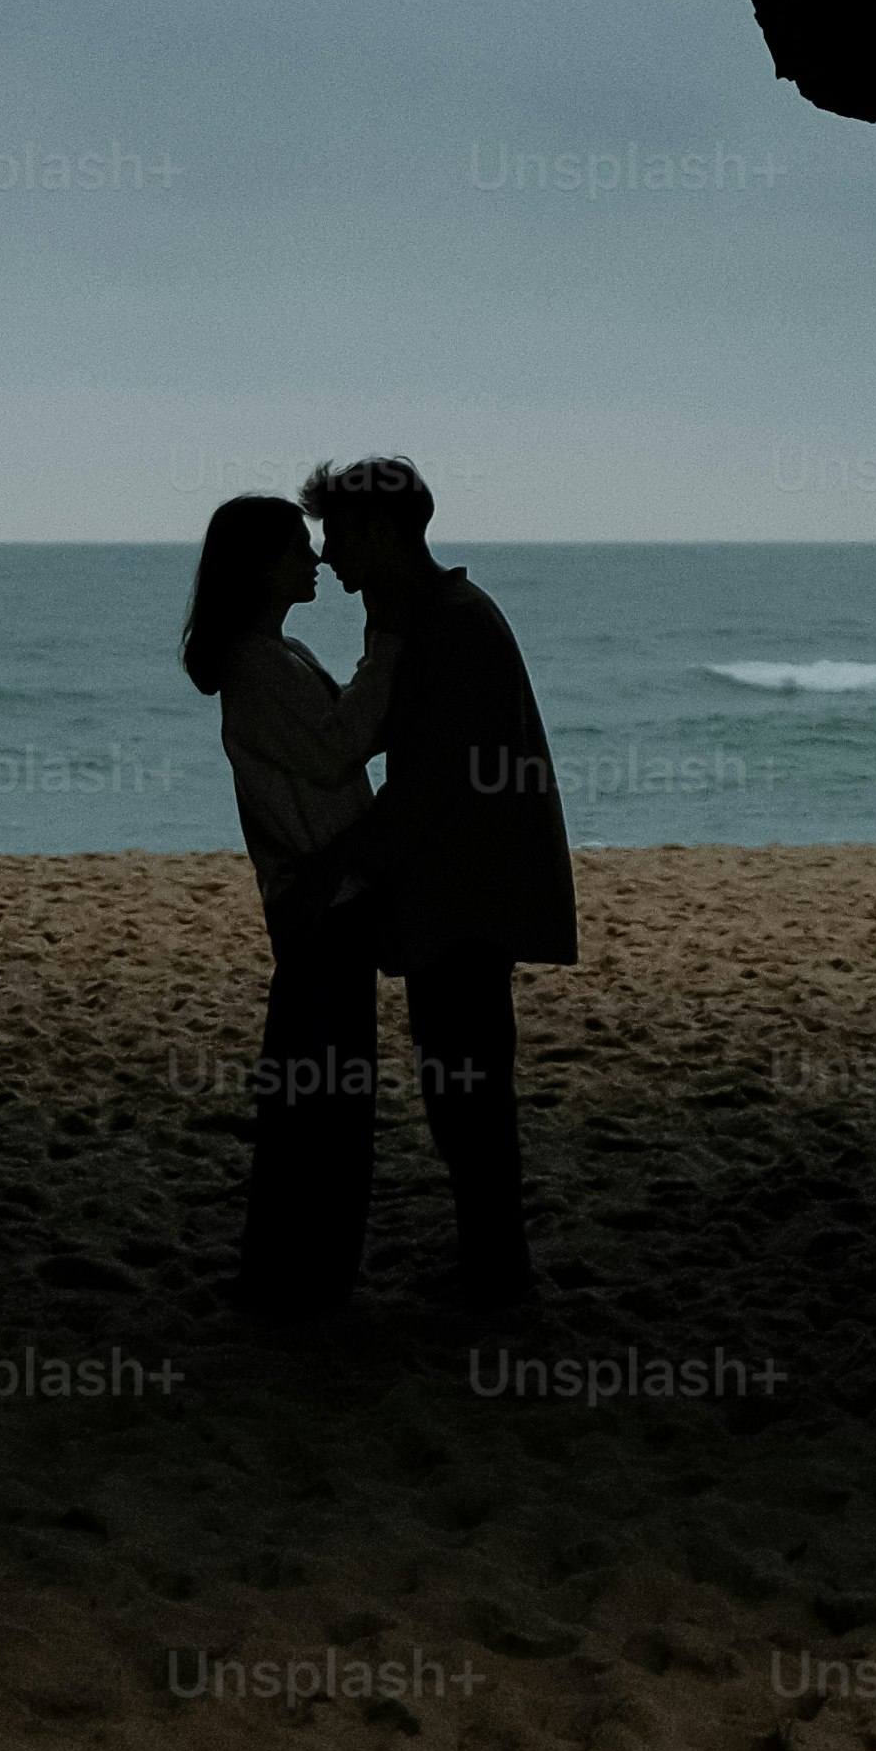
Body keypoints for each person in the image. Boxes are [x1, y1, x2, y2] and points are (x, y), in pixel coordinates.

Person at [288, 453, 579, 1319]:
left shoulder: (454, 625)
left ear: (378, 532)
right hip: (458, 888)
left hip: (469, 894)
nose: (328, 553)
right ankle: (493, 1264)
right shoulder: (427, 617)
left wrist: (344, 864)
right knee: (459, 1080)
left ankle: (499, 1274)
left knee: (466, 1085)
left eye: (337, 534)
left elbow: (433, 781)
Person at [182, 491, 393, 1321]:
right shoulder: (261, 662)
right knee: (326, 1092)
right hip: (322, 897)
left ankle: (294, 1271)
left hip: (324, 894)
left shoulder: (275, 652)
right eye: (297, 549)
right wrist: (389, 645)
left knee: (318, 1085)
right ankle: (302, 1278)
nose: (313, 560)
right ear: (260, 565)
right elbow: (343, 746)